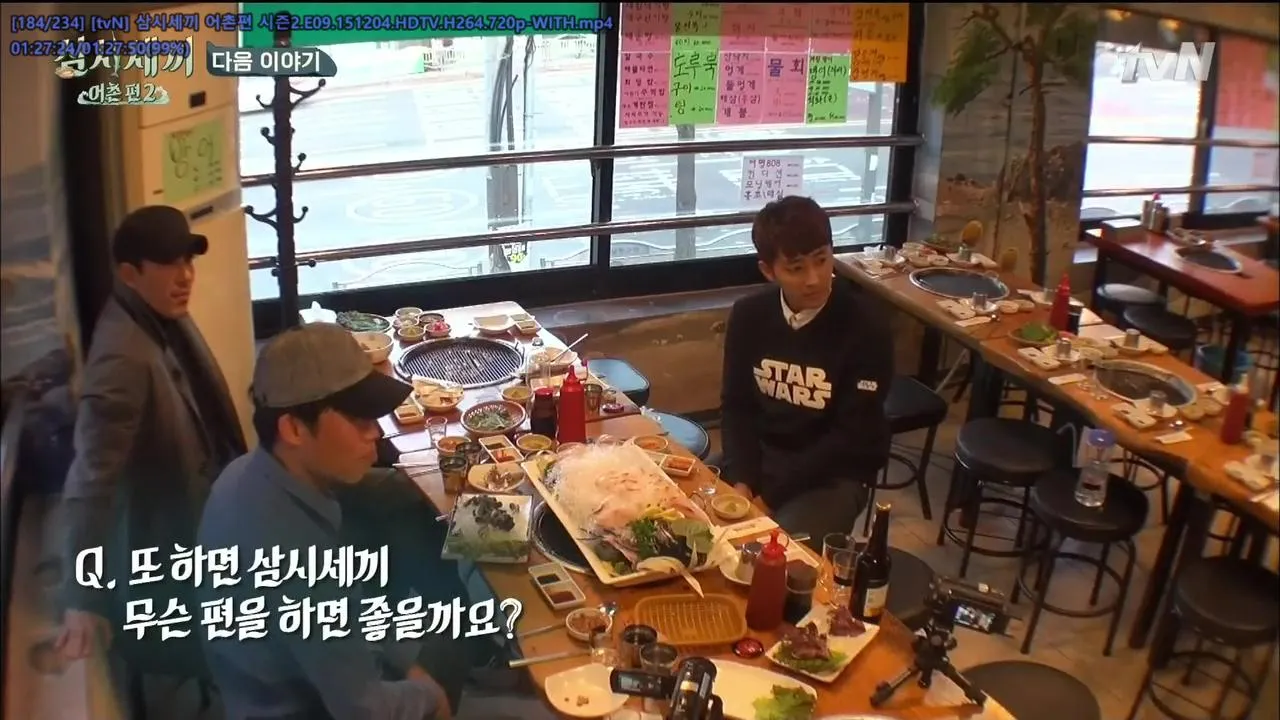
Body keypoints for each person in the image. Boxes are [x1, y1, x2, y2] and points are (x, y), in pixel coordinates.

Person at [199, 322, 473, 720]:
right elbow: (362, 709)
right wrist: (429, 697)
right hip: (296, 707)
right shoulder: (295, 561)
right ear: (294, 428)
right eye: (359, 420)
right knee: (450, 641)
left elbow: (348, 615)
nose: (375, 433)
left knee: (404, 512)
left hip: (278, 674)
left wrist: (401, 655)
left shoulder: (244, 473)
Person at [57, 206, 247, 678]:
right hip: (180, 557)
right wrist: (82, 597)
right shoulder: (121, 360)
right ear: (130, 274)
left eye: (188, 261)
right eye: (168, 265)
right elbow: (91, 481)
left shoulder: (157, 316)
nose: (186, 276)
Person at [719, 196, 893, 548]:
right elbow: (737, 406)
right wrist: (742, 480)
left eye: (822, 260)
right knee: (689, 524)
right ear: (769, 271)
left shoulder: (866, 326)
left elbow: (850, 436)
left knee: (773, 555)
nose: (814, 279)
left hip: (834, 475)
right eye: (796, 269)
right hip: (764, 458)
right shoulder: (750, 316)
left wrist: (768, 499)